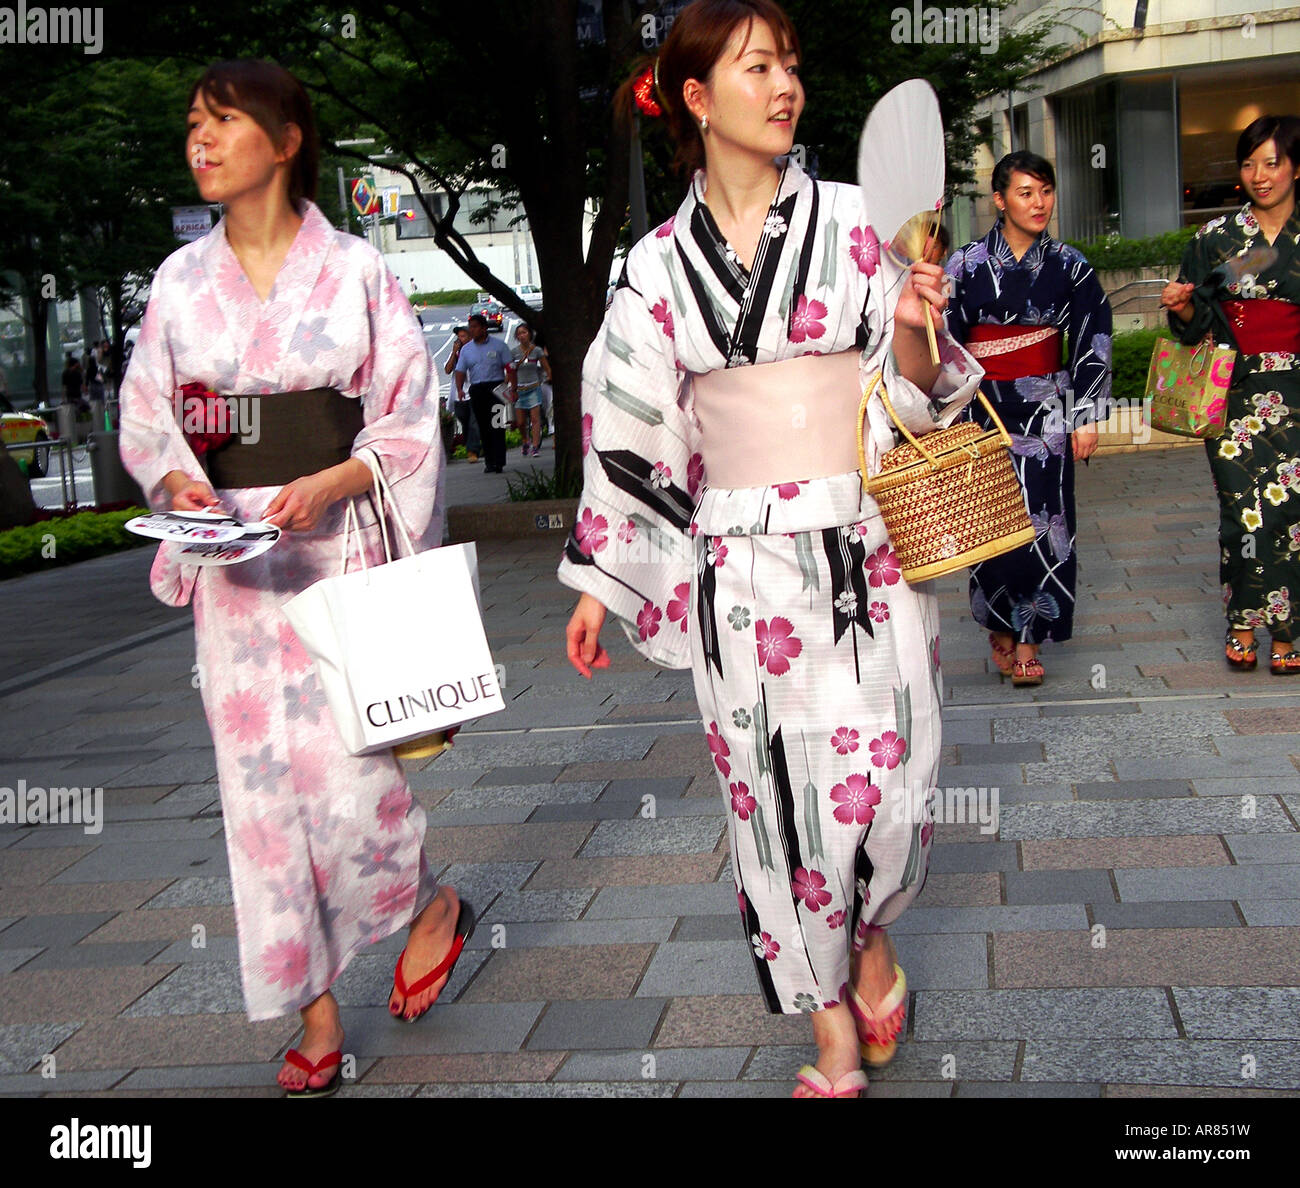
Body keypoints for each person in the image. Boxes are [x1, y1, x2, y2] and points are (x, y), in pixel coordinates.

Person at [559, 0, 980, 1099]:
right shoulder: (652, 271)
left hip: (866, 545)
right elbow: (631, 427)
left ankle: (871, 931)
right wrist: (606, 578)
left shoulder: (855, 222)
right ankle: (828, 1020)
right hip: (737, 570)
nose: (784, 85)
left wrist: (910, 331)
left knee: (889, 784)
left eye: (790, 64)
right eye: (757, 67)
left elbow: (922, 390)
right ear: (696, 98)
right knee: (773, 794)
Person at [118, 59, 473, 1098]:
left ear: (283, 141)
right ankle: (314, 1009)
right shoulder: (179, 283)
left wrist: (338, 477)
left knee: (358, 783)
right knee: (259, 800)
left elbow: (408, 417)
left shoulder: (359, 269)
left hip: (334, 545)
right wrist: (181, 479)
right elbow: (151, 415)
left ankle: (427, 904)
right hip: (233, 563)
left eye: (222, 122)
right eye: (193, 123)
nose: (200, 139)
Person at [944, 151, 1112, 687]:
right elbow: (941, 339)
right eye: (1025, 193)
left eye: (1046, 191)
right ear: (998, 199)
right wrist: (941, 410)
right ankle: (999, 620)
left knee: (1045, 523)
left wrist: (1084, 414)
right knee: (992, 522)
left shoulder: (1071, 265)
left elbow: (1092, 340)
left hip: (1048, 412)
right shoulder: (966, 265)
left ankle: (1028, 638)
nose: (1038, 203)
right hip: (981, 407)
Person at [1163, 114, 1300, 674]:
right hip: (1234, 393)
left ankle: (1287, 629)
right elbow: (1196, 326)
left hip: (1295, 392)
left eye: (1272, 162)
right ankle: (1242, 621)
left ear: (1297, 167)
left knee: (1289, 514)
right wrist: (1184, 306)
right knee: (1240, 512)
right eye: (1249, 164)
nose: (1259, 175)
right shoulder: (1215, 239)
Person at [454, 312, 515, 473]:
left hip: (496, 389)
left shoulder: (498, 346)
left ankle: (499, 461)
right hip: (478, 389)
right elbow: (460, 370)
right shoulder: (466, 350)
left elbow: (510, 367)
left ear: (484, 328)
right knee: (484, 426)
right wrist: (460, 389)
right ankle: (489, 461)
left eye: (475, 327)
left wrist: (512, 388)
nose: (471, 330)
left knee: (497, 424)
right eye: (470, 327)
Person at [511, 323, 551, 457]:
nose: (522, 336)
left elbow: (547, 368)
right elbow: (510, 372)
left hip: (534, 387)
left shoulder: (537, 351)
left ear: (529, 334)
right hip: (519, 390)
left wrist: (548, 379)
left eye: (524, 332)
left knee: (535, 419)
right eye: (519, 334)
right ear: (516, 337)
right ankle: (525, 440)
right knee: (521, 422)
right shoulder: (514, 353)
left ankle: (535, 447)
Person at [444, 325, 480, 460]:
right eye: (458, 337)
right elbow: (447, 370)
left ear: (470, 338)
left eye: (463, 336)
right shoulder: (456, 353)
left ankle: (473, 451)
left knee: (473, 422)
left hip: (473, 392)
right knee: (464, 421)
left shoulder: (475, 351)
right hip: (459, 395)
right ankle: (469, 446)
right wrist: (454, 352)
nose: (460, 339)